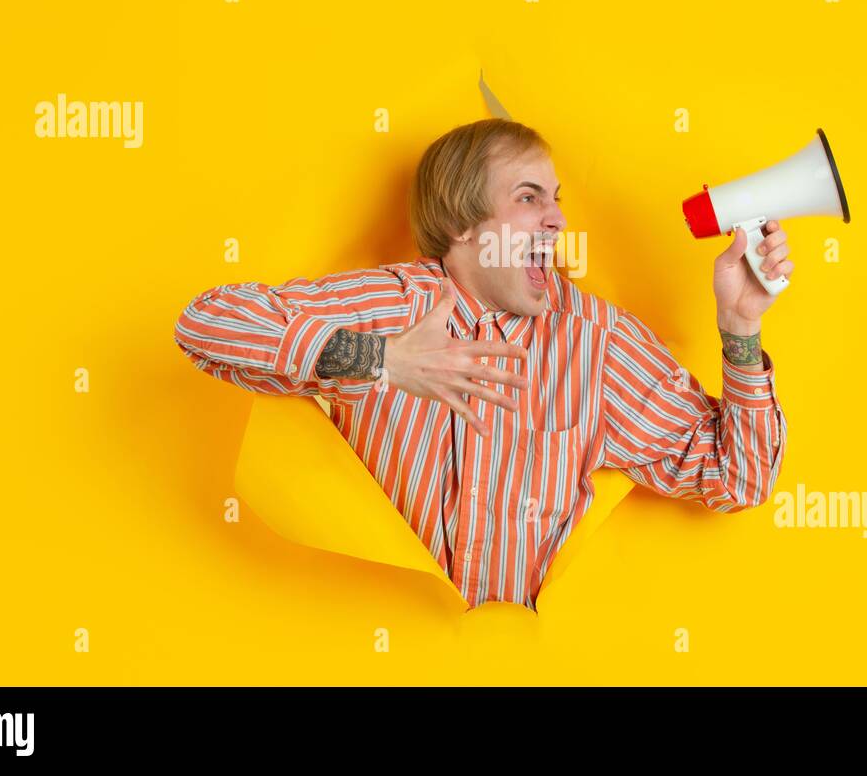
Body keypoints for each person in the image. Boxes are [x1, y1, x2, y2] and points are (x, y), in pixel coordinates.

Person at [173, 118, 790, 612]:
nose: (557, 219)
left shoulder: (595, 342)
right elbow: (204, 324)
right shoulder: (395, 307)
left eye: (556, 200)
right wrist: (380, 358)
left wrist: (740, 328)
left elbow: (740, 478)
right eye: (529, 198)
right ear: (463, 224)